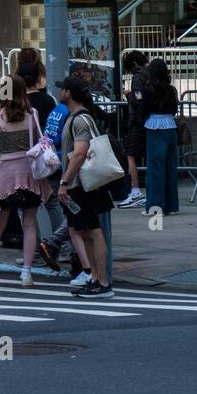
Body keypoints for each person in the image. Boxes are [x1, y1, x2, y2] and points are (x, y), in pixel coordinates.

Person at [0, 76, 52, 286]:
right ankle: (26, 273)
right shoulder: (32, 114)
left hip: (7, 174)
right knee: (30, 223)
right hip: (30, 173)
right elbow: (37, 144)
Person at [57, 77, 116, 298]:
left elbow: (80, 152)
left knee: (92, 231)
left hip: (82, 185)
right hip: (82, 184)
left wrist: (64, 182)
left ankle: (102, 282)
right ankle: (95, 279)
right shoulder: (78, 117)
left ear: (69, 93)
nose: (60, 92)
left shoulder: (79, 120)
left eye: (62, 88)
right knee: (86, 231)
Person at [141, 58, 180, 216]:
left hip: (154, 126)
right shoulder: (171, 90)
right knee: (170, 168)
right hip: (170, 126)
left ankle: (155, 207)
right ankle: (171, 206)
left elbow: (144, 109)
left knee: (155, 168)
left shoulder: (148, 89)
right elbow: (175, 109)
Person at [116, 51, 150, 210]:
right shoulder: (151, 73)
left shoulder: (138, 78)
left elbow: (138, 99)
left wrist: (128, 95)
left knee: (130, 155)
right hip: (151, 121)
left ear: (134, 64)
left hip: (138, 122)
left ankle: (135, 191)